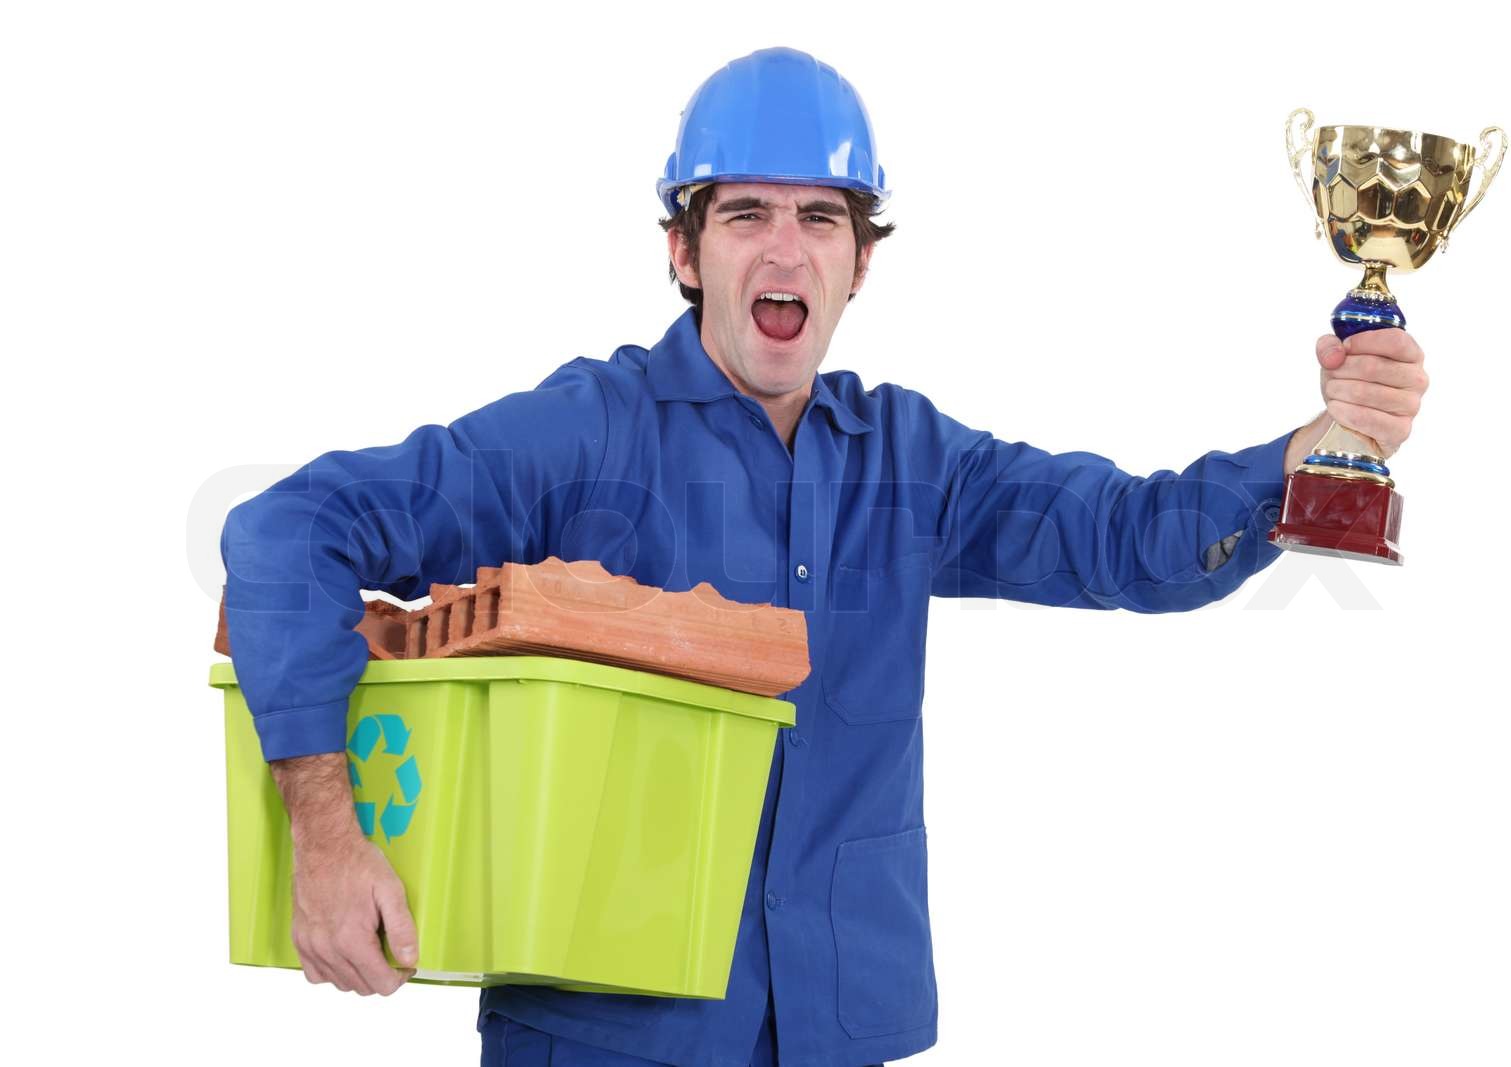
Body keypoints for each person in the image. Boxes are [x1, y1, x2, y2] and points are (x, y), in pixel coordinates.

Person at [220, 47, 1429, 1067]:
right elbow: (286, 530)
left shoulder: (911, 459)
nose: (785, 252)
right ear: (685, 252)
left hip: (840, 1023)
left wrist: (1317, 451)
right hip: (607, 1032)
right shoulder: (582, 431)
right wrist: (325, 830)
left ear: (863, 260)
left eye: (820, 219)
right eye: (745, 213)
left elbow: (1133, 538)